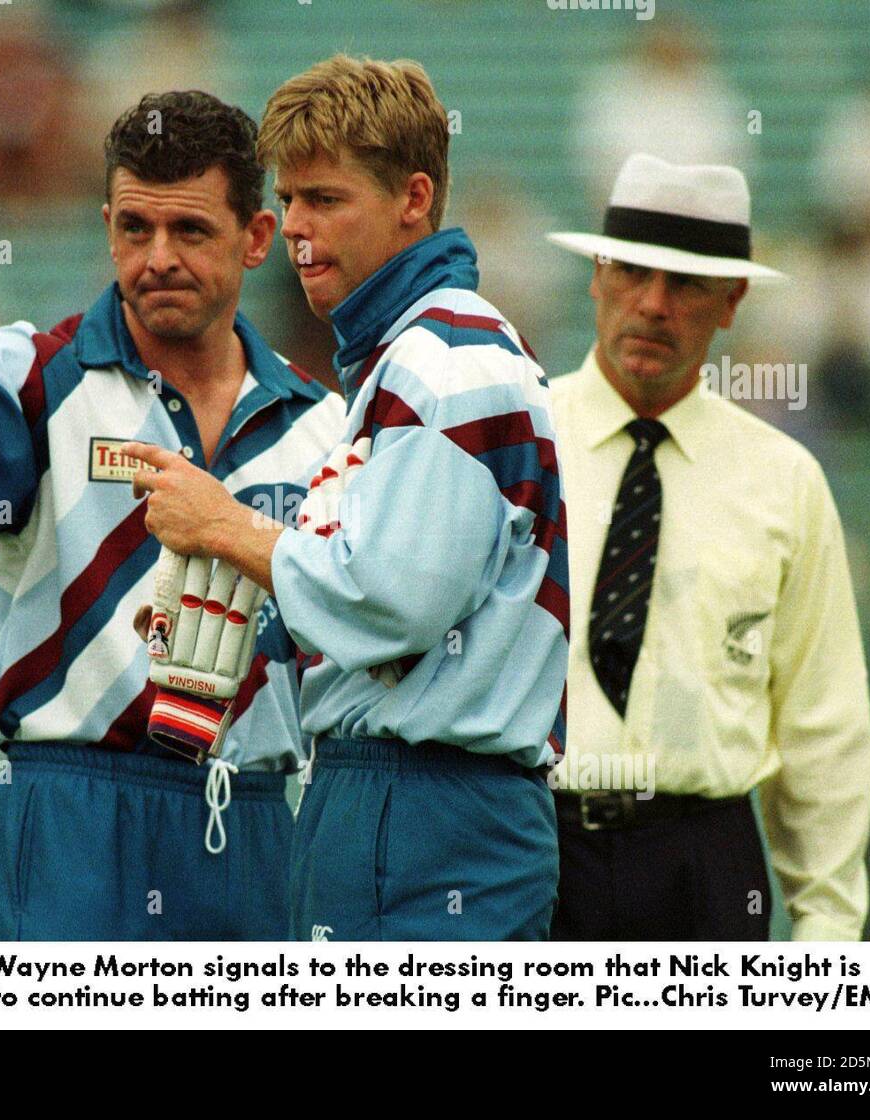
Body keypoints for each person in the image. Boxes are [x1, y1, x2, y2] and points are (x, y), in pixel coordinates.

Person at [0, 91, 344, 940]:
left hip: (256, 817)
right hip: (72, 816)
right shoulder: (31, 376)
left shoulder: (326, 428)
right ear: (105, 227)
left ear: (257, 238)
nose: (158, 257)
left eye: (190, 231)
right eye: (135, 229)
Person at [127, 55, 568, 941]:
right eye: (287, 201)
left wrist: (229, 526)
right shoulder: (408, 356)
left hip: (429, 808)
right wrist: (254, 619)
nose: (294, 228)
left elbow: (393, 601)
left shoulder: (445, 357)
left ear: (413, 197)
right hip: (392, 796)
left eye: (324, 199)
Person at [544, 152, 870, 941]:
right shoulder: (520, 441)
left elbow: (821, 718)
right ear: (597, 273)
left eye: (686, 283)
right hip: (533, 844)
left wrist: (827, 927)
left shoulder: (783, 481)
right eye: (633, 271)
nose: (653, 305)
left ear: (731, 302)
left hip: (707, 864)